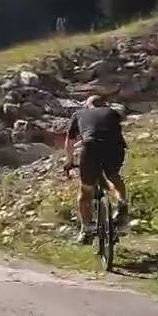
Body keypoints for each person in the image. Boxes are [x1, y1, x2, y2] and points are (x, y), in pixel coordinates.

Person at [63, 95, 128, 244]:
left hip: (91, 148)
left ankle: (86, 230)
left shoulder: (79, 114)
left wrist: (69, 162)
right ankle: (122, 206)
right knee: (113, 176)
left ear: (87, 105)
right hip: (115, 148)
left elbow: (69, 142)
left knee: (86, 190)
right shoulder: (112, 112)